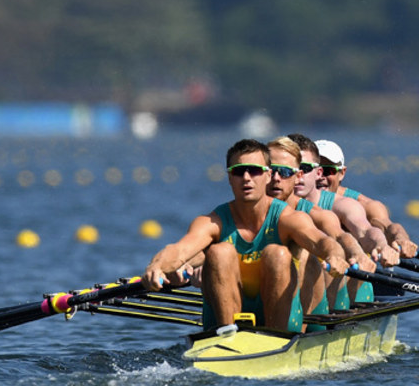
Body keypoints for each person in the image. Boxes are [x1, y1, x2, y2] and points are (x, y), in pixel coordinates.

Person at [143, 138, 350, 333]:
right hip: (226, 320)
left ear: (268, 175)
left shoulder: (289, 218)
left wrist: (335, 256)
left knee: (276, 254)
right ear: (229, 178)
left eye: (255, 171)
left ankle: (276, 337)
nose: (247, 178)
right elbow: (179, 250)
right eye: (239, 171)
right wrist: (156, 266)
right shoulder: (213, 221)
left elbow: (323, 241)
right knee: (219, 252)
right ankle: (226, 333)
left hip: (282, 321)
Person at [264, 136, 380, 319]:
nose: (277, 178)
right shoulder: (241, 210)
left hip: (322, 300)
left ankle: (307, 328)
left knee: (306, 253)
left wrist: (358, 253)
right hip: (270, 293)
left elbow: (343, 236)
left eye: (285, 172)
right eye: (272, 171)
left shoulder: (333, 209)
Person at [289, 133, 399, 308]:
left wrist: (381, 246)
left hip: (342, 291)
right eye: (289, 169)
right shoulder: (267, 201)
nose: (298, 174)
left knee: (315, 254)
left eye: (304, 168)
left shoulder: (347, 205)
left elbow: (366, 231)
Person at [315, 138, 419, 259]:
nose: (320, 177)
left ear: (342, 173)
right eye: (314, 169)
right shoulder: (297, 198)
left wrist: (400, 238)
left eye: (327, 170)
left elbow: (388, 227)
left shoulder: (364, 205)